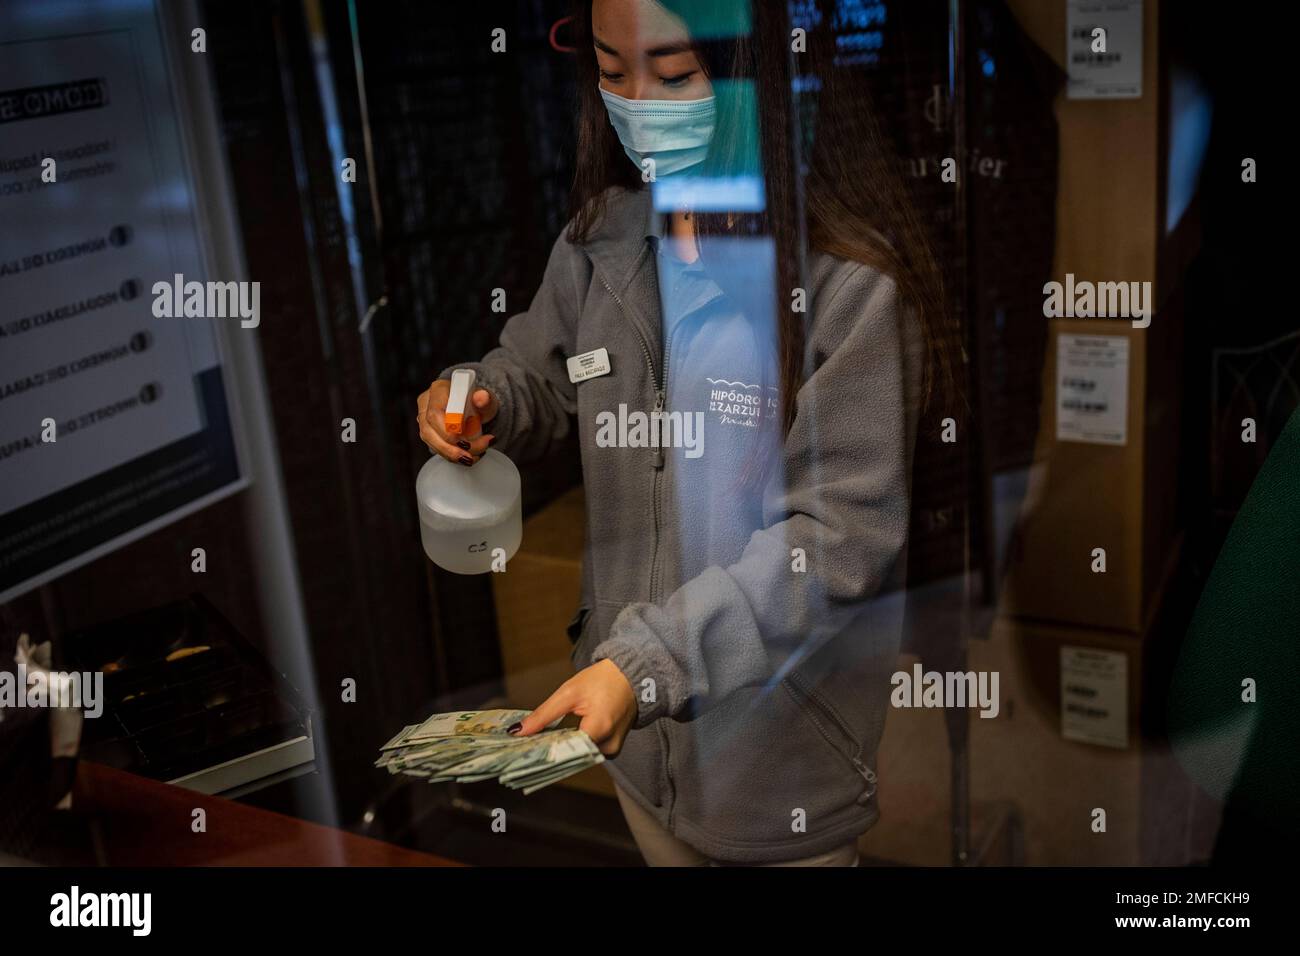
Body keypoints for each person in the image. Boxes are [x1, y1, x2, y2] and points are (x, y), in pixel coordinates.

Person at [417, 0, 950, 866]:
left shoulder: (849, 286)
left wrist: (648, 662)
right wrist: (482, 399)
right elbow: (541, 376)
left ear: (754, 73)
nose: (637, 103)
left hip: (779, 768)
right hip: (640, 753)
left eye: (672, 75)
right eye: (611, 70)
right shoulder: (602, 242)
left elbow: (835, 540)